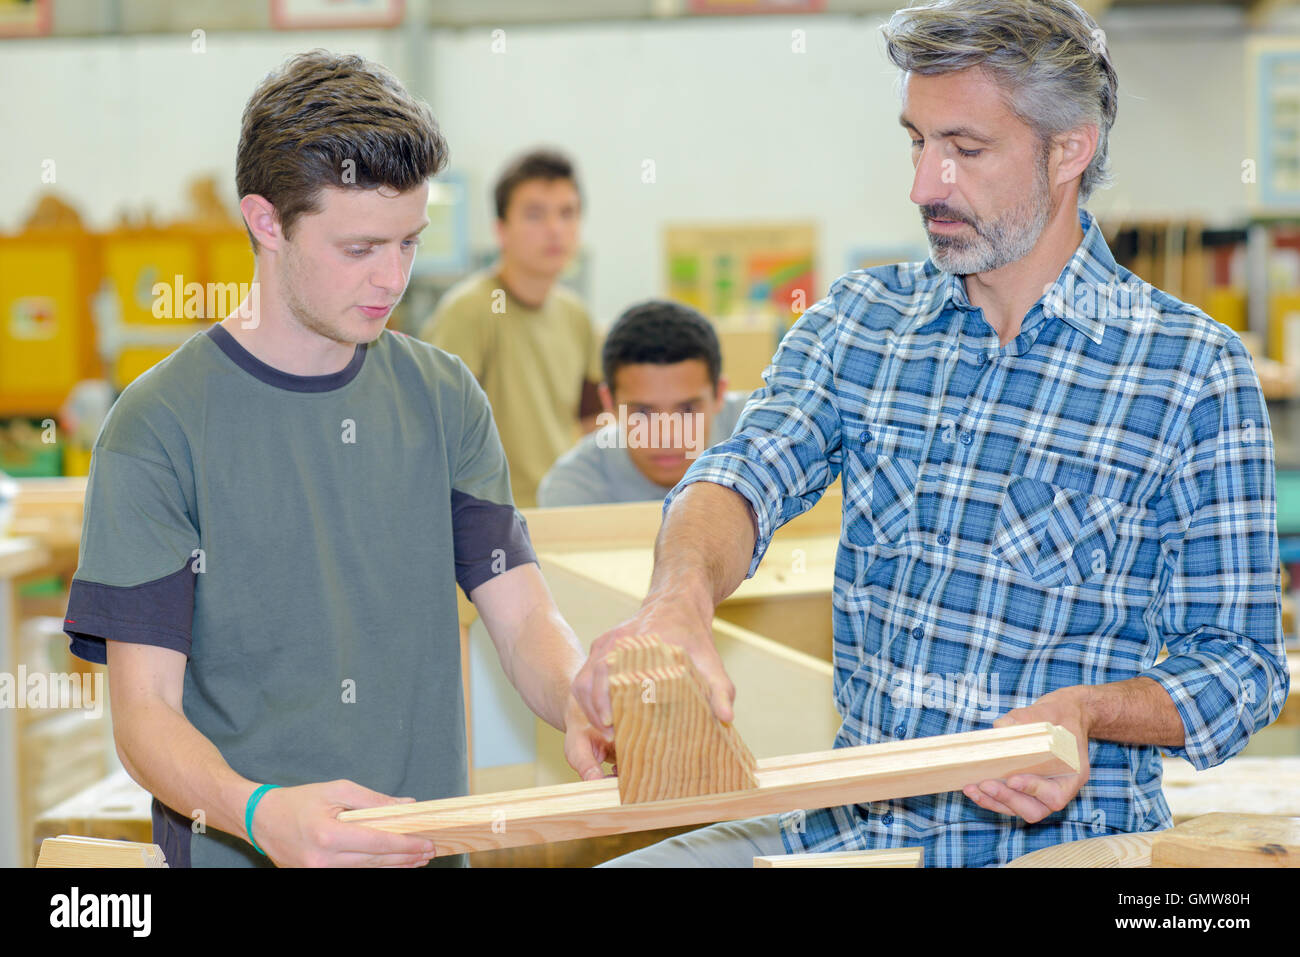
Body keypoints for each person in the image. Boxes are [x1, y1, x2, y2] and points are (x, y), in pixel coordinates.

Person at [577, 0, 1290, 867]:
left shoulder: (1188, 372)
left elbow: (1242, 666)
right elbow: (742, 473)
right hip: (847, 834)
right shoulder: (862, 322)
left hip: (1053, 850)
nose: (924, 184)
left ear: (1070, 150)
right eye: (916, 141)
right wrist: (676, 600)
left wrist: (1091, 712)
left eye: (965, 149)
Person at [63, 50, 609, 869]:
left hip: (425, 854)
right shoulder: (156, 429)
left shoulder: (444, 397)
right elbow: (144, 717)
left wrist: (582, 698)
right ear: (266, 221)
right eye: (359, 248)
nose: (392, 279)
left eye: (409, 244)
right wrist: (260, 814)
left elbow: (525, 616)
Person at [420, 149, 603, 508]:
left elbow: (593, 424)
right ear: (501, 230)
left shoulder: (576, 315)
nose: (555, 230)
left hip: (563, 514)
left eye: (567, 213)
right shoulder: (469, 310)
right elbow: (438, 433)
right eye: (535, 215)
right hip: (494, 519)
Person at [537, 300, 750, 507]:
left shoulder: (768, 438)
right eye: (642, 412)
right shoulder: (572, 494)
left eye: (687, 410)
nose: (667, 437)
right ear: (609, 402)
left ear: (719, 394)